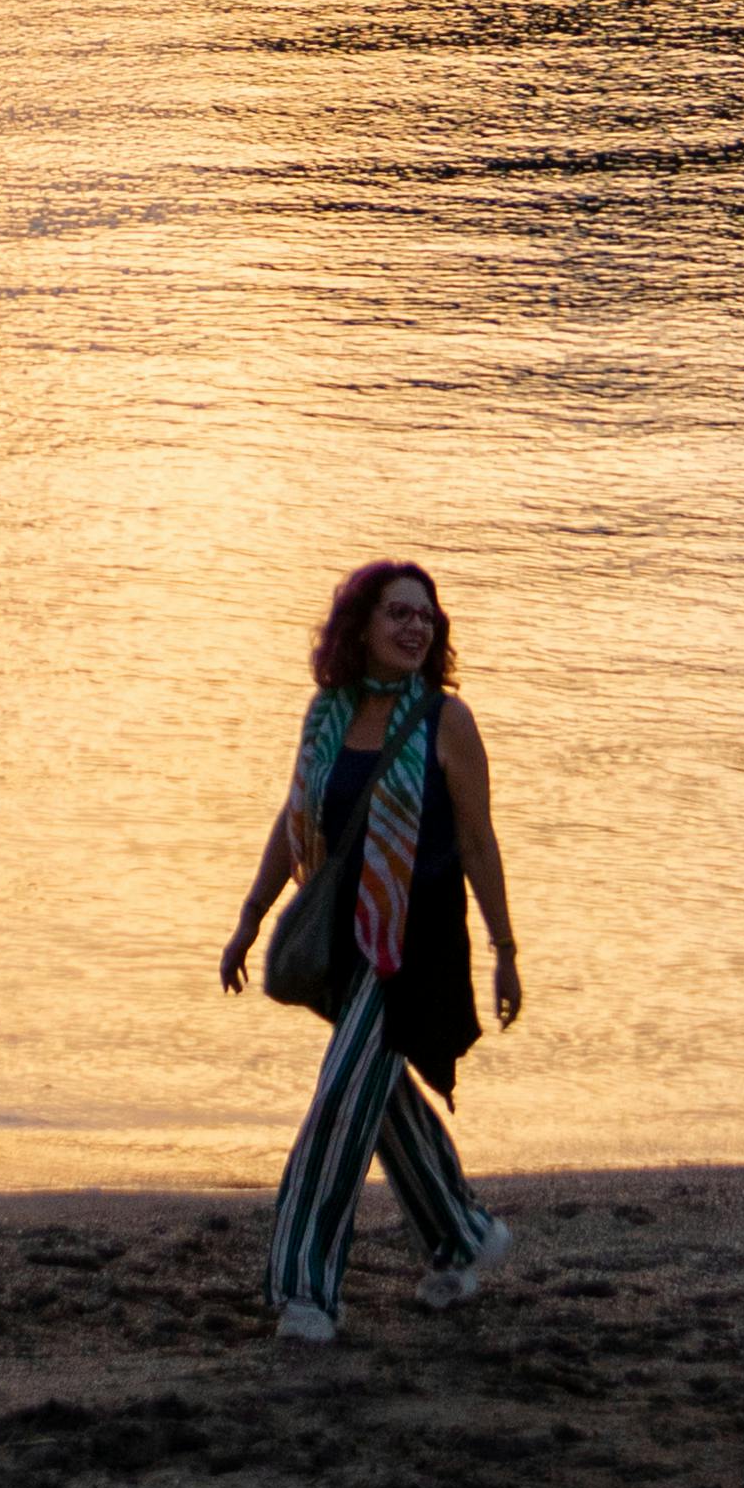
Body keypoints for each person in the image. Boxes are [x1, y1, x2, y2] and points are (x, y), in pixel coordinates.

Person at [218, 555, 523, 1344]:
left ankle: (304, 1290)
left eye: (425, 614)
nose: (414, 625)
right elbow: (294, 823)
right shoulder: (327, 711)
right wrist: (250, 917)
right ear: (360, 626)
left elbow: (476, 840)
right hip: (342, 947)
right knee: (376, 1097)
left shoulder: (444, 720)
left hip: (409, 946)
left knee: (340, 1104)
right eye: (398, 612)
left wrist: (504, 946)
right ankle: (458, 1235)